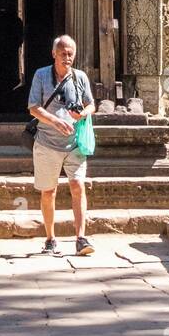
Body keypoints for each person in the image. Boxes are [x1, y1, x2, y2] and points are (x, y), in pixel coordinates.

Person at [27, 34, 96, 257]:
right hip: (47, 142)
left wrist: (82, 114)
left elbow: (91, 104)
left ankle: (80, 238)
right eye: (63, 53)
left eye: (70, 54)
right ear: (53, 53)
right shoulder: (41, 75)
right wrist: (55, 121)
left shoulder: (80, 77)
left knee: (78, 186)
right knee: (49, 191)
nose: (67, 57)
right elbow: (33, 107)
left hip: (74, 143)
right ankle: (50, 238)